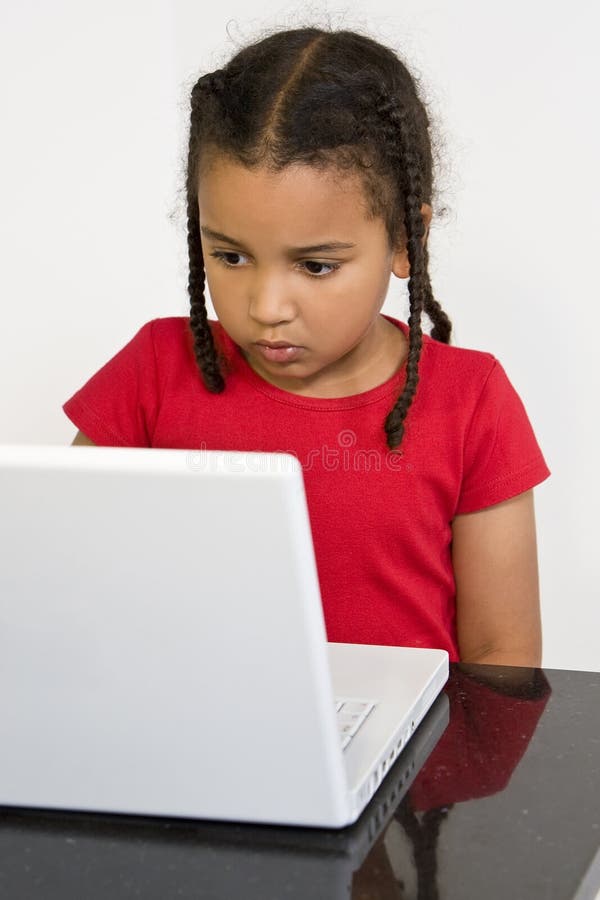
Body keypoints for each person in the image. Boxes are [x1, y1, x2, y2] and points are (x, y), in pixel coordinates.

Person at [63, 26, 551, 665]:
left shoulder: (471, 401)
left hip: (408, 762)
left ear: (407, 238)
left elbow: (502, 657)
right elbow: (61, 579)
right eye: (230, 255)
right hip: (184, 740)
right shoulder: (153, 373)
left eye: (316, 266)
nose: (266, 308)